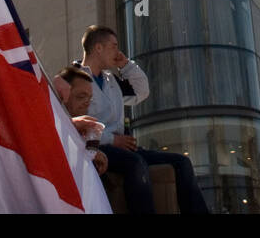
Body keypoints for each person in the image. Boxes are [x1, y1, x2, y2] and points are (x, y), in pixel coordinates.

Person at [79, 25, 209, 214]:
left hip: (123, 147)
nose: (118, 51)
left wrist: (126, 65)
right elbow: (75, 122)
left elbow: (142, 91)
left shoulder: (111, 81)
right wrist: (113, 139)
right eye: (114, 46)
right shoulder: (75, 79)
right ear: (98, 48)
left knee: (181, 163)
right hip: (97, 147)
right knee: (136, 163)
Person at [55, 65, 108, 177]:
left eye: (90, 98)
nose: (86, 102)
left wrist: (94, 154)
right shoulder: (52, 120)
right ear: (63, 94)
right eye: (81, 96)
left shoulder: (84, 126)